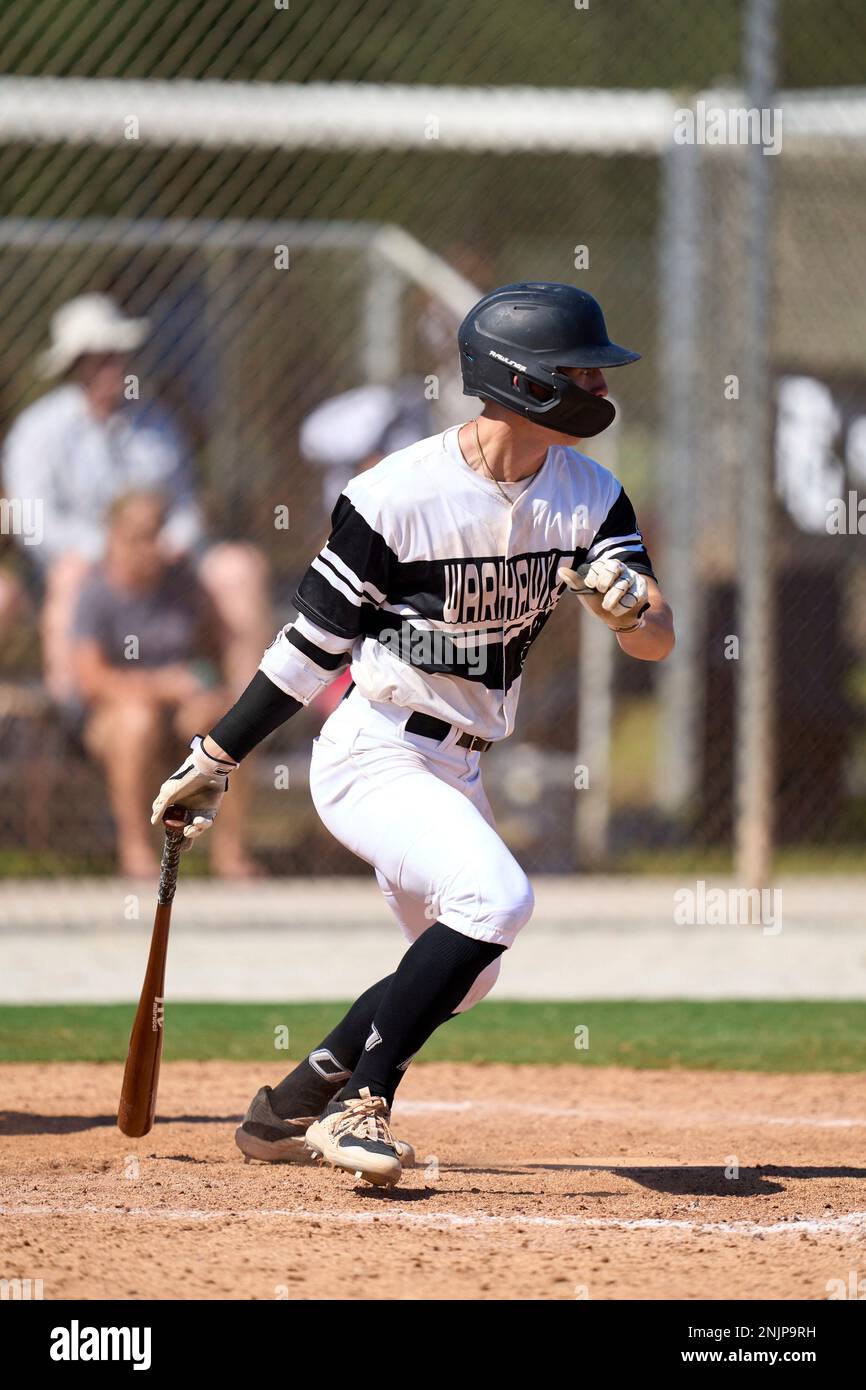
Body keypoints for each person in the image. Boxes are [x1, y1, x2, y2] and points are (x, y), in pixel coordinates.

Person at [151, 281, 675, 1188]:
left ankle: (290, 1104)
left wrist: (633, 611)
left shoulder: (589, 494)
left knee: (465, 976)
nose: (597, 383)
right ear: (522, 382)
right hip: (374, 750)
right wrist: (215, 756)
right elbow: (308, 654)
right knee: (498, 902)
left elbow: (657, 640)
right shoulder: (395, 494)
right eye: (578, 369)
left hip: (459, 767)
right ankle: (364, 1104)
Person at [1, 293, 270, 706]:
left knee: (238, 569)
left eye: (117, 354)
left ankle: (248, 720)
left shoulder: (158, 423)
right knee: (69, 577)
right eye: (100, 357)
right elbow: (33, 522)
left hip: (165, 570)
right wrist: (113, 554)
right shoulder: (37, 431)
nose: (114, 365)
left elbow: (186, 505)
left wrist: (168, 545)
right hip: (85, 570)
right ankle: (76, 723)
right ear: (76, 366)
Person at [73, 490, 255, 879]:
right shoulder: (95, 592)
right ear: (114, 537)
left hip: (179, 712)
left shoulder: (182, 585)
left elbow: (209, 656)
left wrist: (203, 686)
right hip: (114, 718)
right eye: (138, 535)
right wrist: (158, 687)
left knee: (228, 718)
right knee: (137, 721)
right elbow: (90, 680)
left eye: (156, 532)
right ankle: (136, 853)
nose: (149, 545)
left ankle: (230, 854)